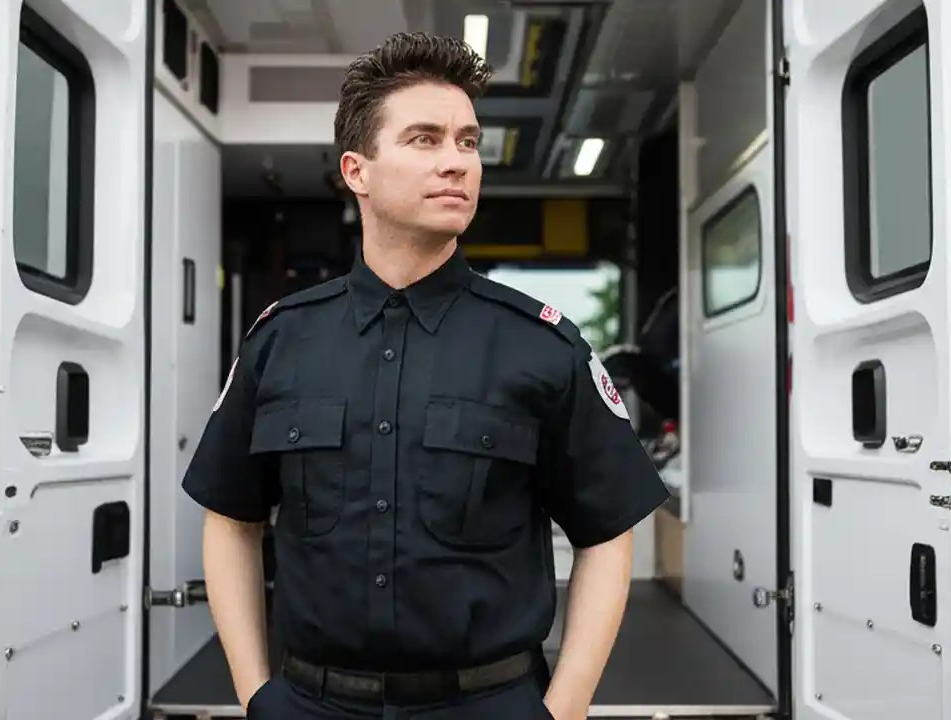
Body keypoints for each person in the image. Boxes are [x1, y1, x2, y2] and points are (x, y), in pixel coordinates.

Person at [181, 31, 669, 720]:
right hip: (310, 704)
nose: (457, 163)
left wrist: (565, 708)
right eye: (425, 139)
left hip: (489, 704)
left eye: (467, 142)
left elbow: (607, 531)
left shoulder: (540, 346)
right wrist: (256, 693)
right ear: (358, 172)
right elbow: (231, 519)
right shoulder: (280, 340)